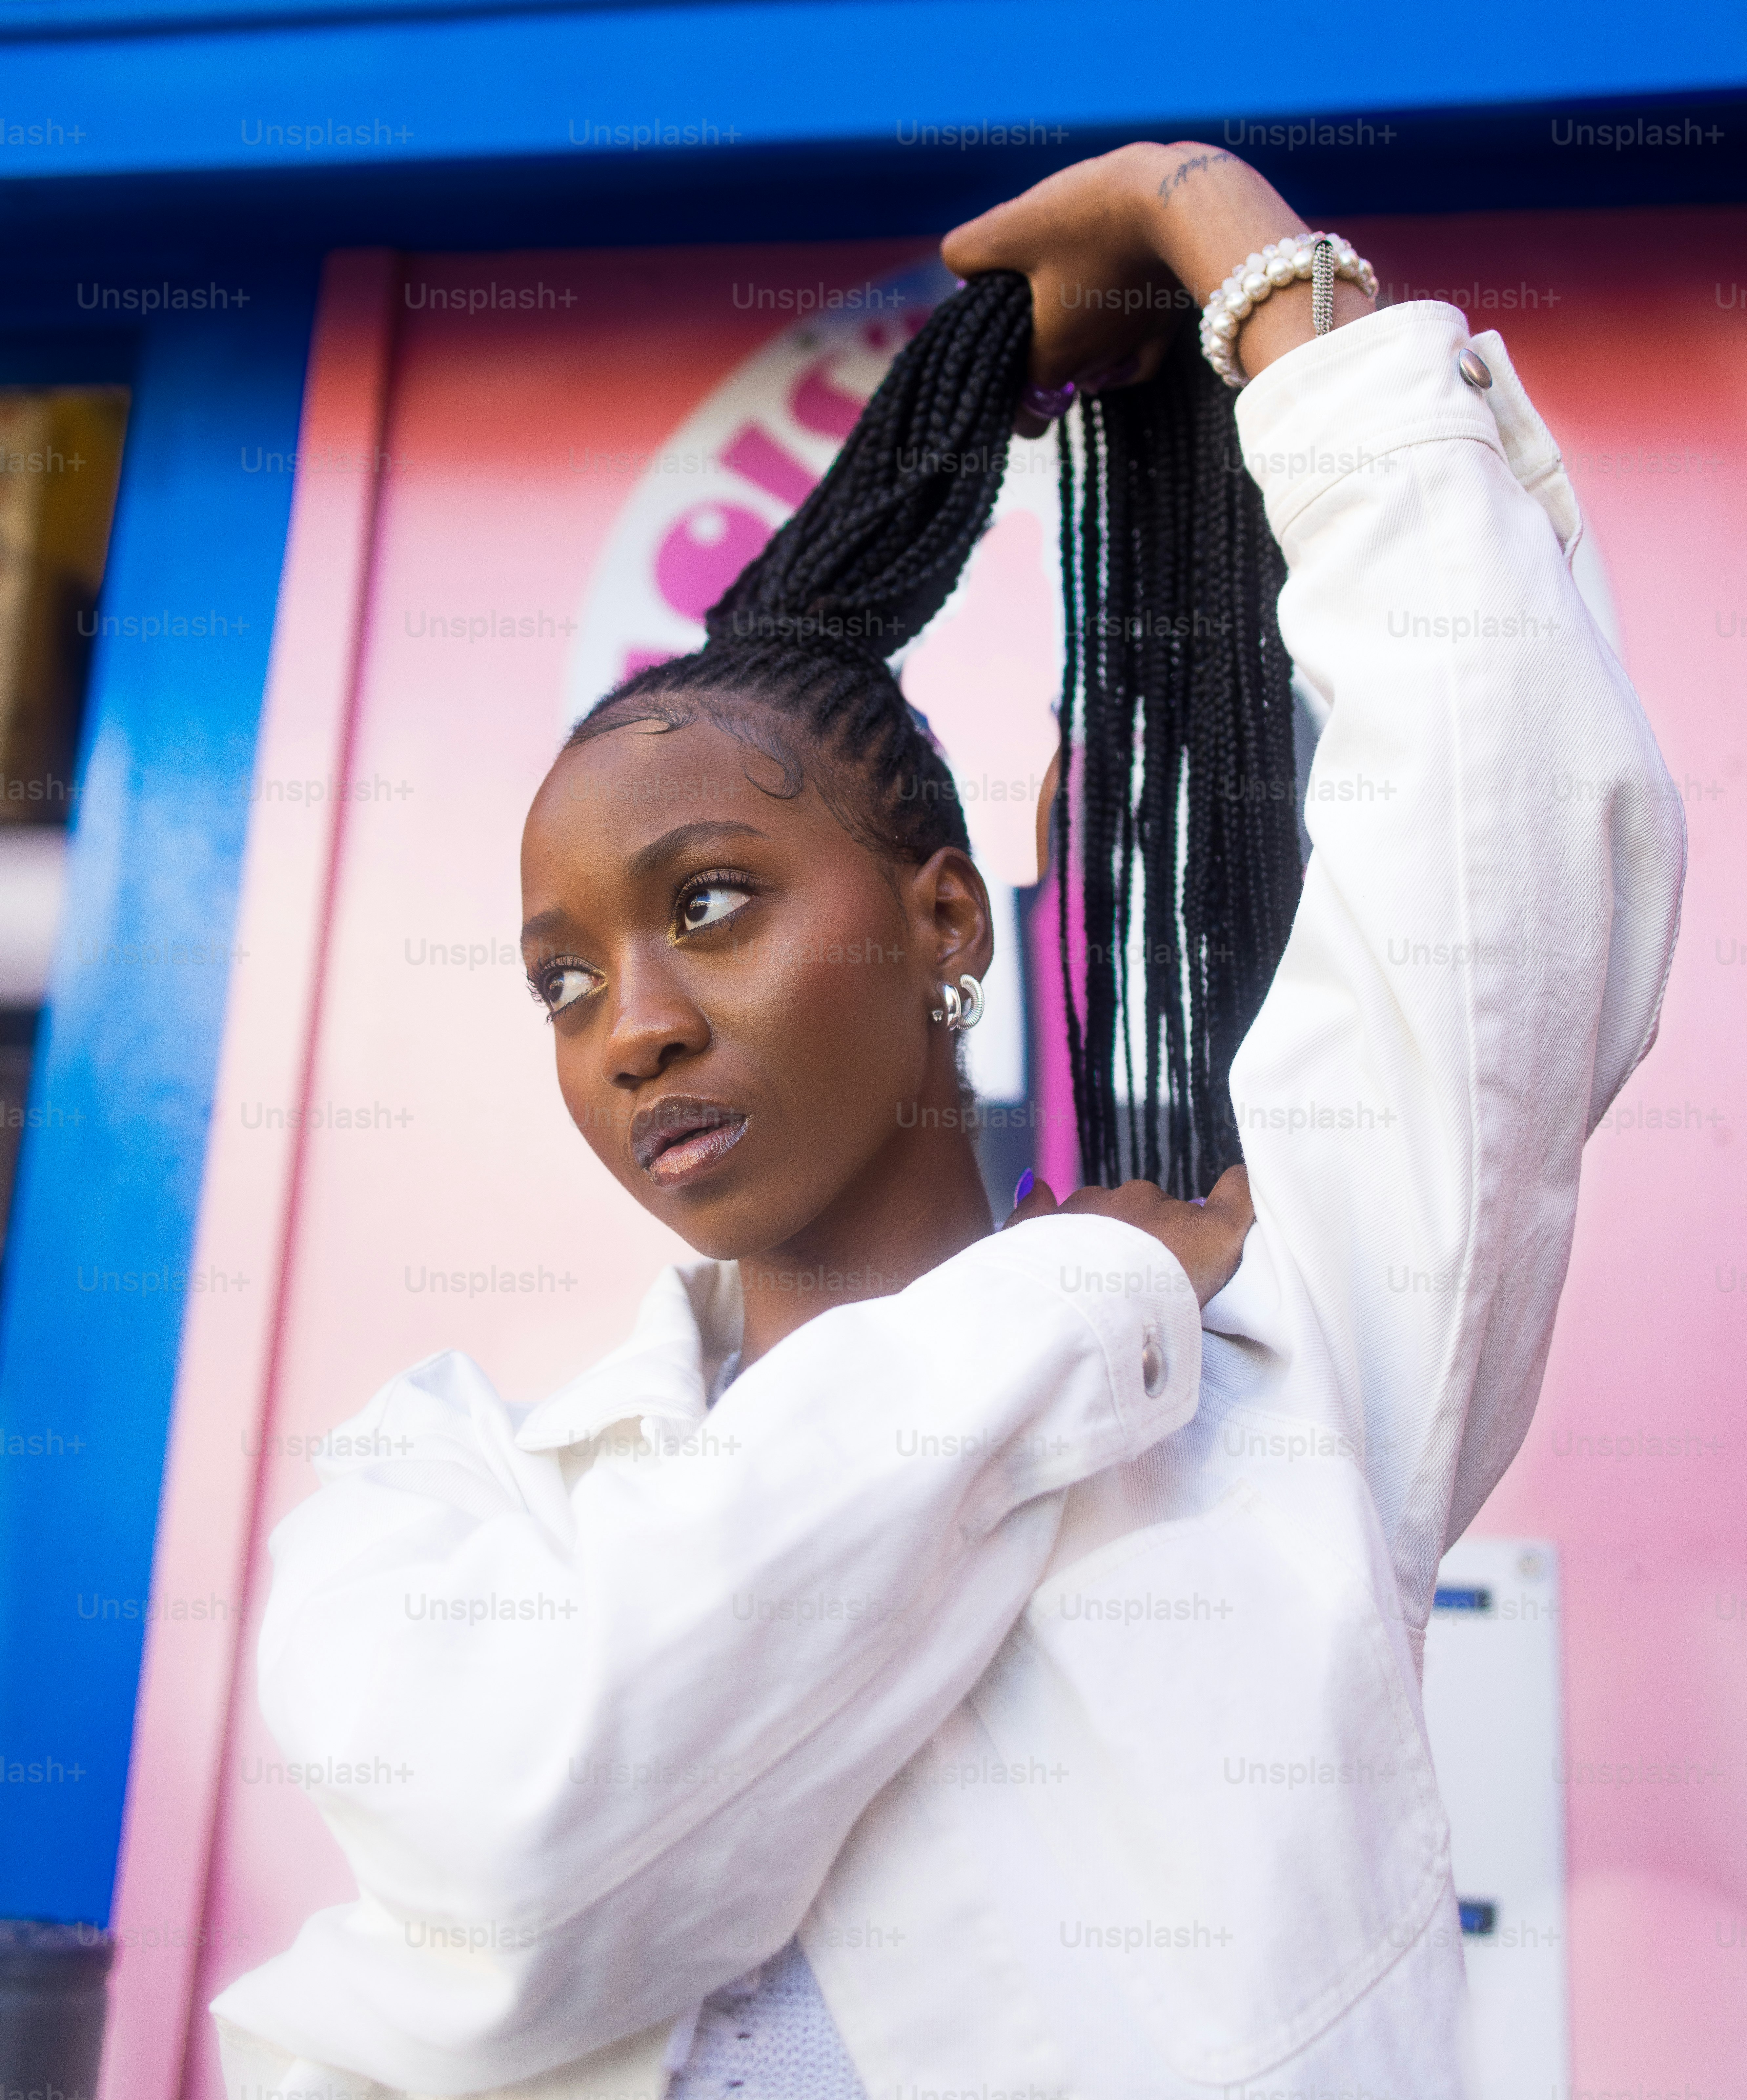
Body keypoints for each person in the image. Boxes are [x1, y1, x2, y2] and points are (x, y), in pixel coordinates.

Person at [212, 144, 1683, 2100]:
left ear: (947, 919)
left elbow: (1509, 835)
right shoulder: (447, 1493)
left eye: (709, 902)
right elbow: (526, 1853)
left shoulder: (1273, 1383)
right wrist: (1060, 1305)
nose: (632, 1028)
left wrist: (1226, 238)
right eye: (561, 982)